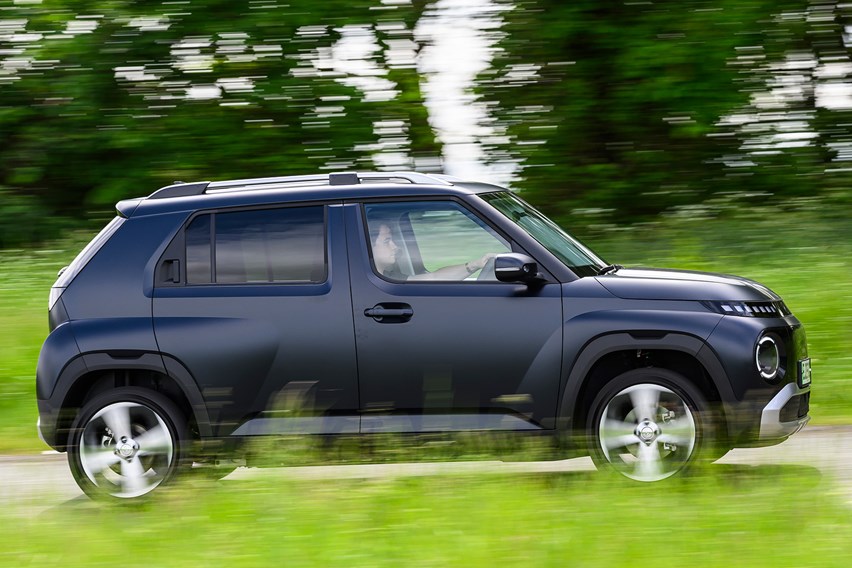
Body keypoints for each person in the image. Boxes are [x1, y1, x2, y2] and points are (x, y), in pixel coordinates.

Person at [370, 223, 495, 281]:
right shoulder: (368, 284)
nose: (395, 247)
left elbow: (434, 277)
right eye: (386, 241)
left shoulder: (389, 278)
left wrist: (476, 264)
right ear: (369, 245)